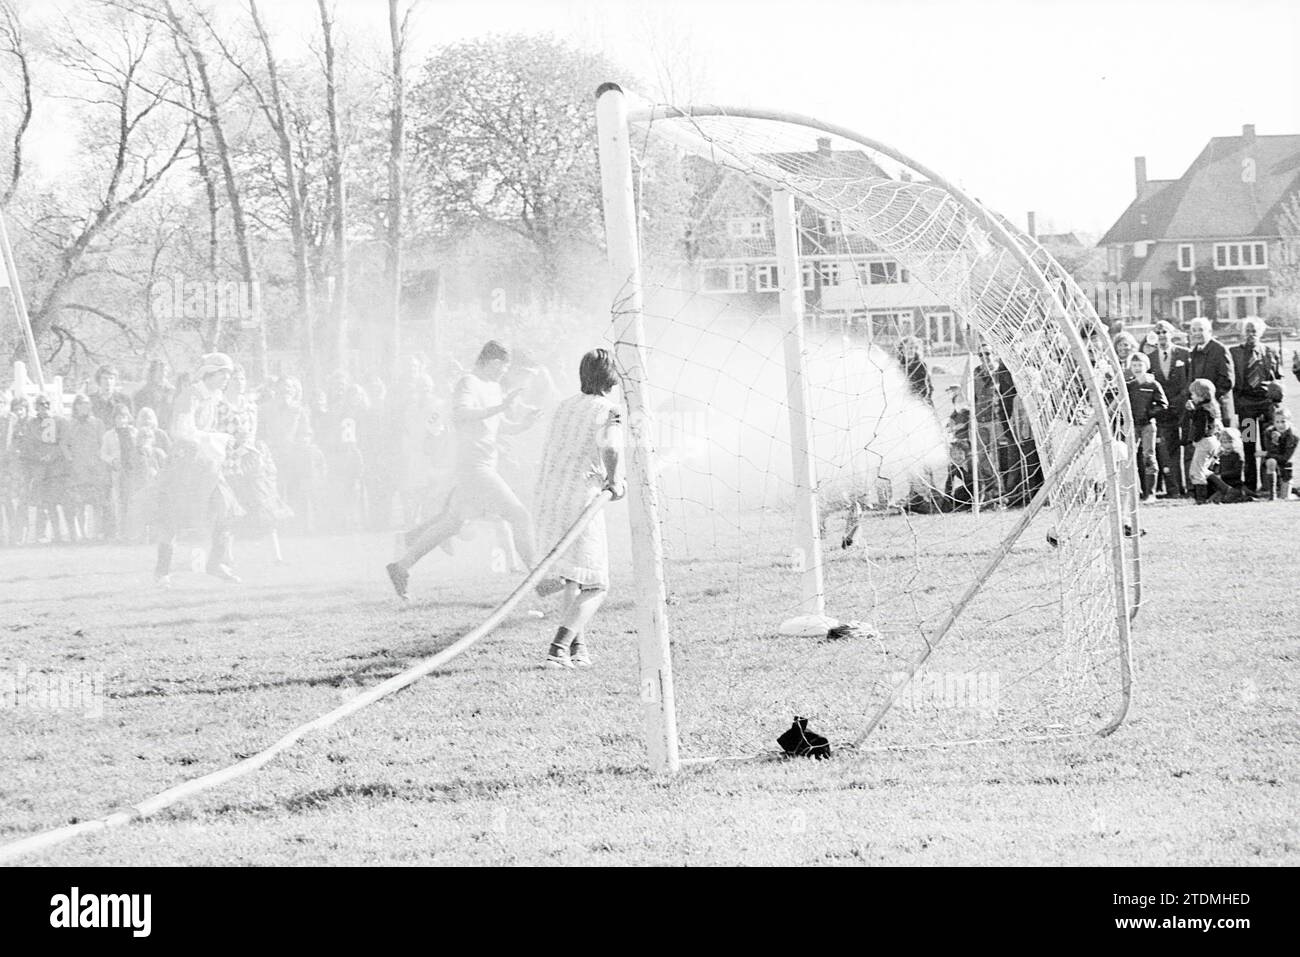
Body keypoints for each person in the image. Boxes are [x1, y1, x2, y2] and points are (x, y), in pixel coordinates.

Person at [385, 340, 541, 599]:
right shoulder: (468, 382)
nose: (506, 372)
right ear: (493, 363)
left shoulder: (492, 387)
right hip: (474, 467)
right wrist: (501, 407)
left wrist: (523, 424)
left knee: (452, 523)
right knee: (519, 515)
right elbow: (461, 415)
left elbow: (499, 425)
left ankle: (401, 566)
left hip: (484, 464)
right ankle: (540, 578)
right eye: (504, 367)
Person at [531, 349, 626, 668]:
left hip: (547, 497)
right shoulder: (609, 409)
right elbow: (611, 445)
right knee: (597, 584)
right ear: (611, 379)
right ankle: (558, 650)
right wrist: (614, 480)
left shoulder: (563, 406)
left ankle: (577, 647)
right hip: (579, 500)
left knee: (573, 578)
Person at [151, 353, 242, 585]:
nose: (227, 378)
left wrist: (231, 440)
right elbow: (183, 432)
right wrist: (220, 439)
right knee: (173, 518)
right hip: (185, 465)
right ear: (209, 373)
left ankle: (216, 563)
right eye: (223, 373)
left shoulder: (213, 398)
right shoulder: (190, 396)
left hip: (207, 465)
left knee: (225, 508)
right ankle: (162, 572)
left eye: (229, 374)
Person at [218, 363, 292, 564]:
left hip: (250, 462)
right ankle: (227, 556)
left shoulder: (251, 405)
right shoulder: (220, 405)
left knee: (263, 505)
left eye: (242, 379)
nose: (239, 382)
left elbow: (254, 432)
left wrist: (250, 449)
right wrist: (232, 440)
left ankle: (276, 555)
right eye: (235, 379)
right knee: (232, 509)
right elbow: (216, 432)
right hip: (229, 463)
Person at [1228, 317, 1282, 493]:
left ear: (1260, 333)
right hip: (1246, 405)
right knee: (1249, 445)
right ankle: (1250, 485)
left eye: (1254, 331)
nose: (1251, 334)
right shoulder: (1234, 352)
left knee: (1269, 444)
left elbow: (1278, 378)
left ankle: (1268, 484)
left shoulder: (1270, 351)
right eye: (1248, 331)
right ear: (1243, 333)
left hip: (1266, 405)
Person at [1142, 321, 1191, 497]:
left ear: (1172, 333)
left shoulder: (1185, 354)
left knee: (1188, 448)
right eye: (1158, 332)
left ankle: (1192, 486)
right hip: (1163, 412)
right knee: (1168, 450)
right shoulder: (1150, 358)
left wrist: (1180, 399)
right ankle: (1175, 488)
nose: (1162, 335)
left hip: (1183, 407)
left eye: (1165, 331)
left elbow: (1190, 380)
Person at [21, 394, 70, 543]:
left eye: (48, 404)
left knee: (55, 500)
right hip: (39, 467)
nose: (45, 407)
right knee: (41, 501)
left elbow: (64, 442)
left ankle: (59, 533)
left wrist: (52, 455)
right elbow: (28, 444)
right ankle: (40, 534)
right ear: (36, 407)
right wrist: (39, 457)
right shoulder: (32, 424)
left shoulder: (60, 421)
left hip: (56, 467)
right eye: (41, 404)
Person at [62, 394, 107, 541]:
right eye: (80, 404)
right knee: (79, 502)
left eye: (87, 403)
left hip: (94, 468)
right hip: (78, 469)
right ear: (75, 406)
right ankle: (82, 533)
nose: (84, 406)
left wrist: (99, 460)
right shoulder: (70, 424)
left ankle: (96, 532)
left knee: (97, 502)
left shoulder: (97, 423)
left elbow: (103, 443)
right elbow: (63, 444)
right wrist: (70, 458)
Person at [1125, 352, 1168, 503]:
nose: (1137, 368)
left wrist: (1150, 414)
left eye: (1140, 365)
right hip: (1132, 425)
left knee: (1148, 456)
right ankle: (1133, 491)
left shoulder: (1153, 384)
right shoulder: (1129, 385)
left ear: (1146, 366)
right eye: (1134, 365)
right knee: (1128, 457)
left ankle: (1151, 493)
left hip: (1148, 425)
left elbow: (1163, 404)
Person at [971, 343, 1006, 507]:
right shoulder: (976, 372)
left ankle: (1003, 493)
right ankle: (991, 491)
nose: (985, 358)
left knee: (999, 457)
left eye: (987, 353)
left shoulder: (1001, 371)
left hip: (997, 420)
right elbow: (972, 396)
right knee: (983, 458)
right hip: (981, 420)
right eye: (981, 355)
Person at [1185, 318, 1234, 424]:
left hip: (1218, 407)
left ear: (1209, 332)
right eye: (1194, 330)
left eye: (1200, 329)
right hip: (1200, 408)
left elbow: (1227, 381)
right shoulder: (1194, 352)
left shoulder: (1219, 350)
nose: (1197, 333)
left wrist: (1207, 398)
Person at [1183, 378, 1222, 505]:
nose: (1192, 396)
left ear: (1201, 395)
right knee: (1205, 470)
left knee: (1196, 471)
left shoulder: (1202, 410)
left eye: (1193, 394)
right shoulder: (1211, 407)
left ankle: (1201, 498)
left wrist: (1194, 440)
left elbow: (1201, 427)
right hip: (1213, 441)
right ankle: (1220, 490)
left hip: (1204, 442)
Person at [1, 396, 30, 544]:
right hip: (9, 468)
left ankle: (21, 533)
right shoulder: (7, 423)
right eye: (16, 409)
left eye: (21, 409)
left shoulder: (30, 425)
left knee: (22, 501)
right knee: (7, 500)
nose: (18, 412)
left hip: (24, 468)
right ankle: (13, 531)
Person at [1261, 407, 1297, 501]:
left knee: (1285, 498)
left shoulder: (1294, 436)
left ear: (1289, 421)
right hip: (1274, 462)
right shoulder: (1268, 432)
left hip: (1287, 466)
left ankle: (1290, 490)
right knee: (1270, 461)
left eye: (1283, 421)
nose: (1280, 425)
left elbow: (1286, 458)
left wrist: (1265, 453)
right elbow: (1271, 451)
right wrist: (1275, 442)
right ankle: (1272, 495)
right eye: (1277, 422)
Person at [133, 359, 175, 430]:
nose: (164, 374)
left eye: (165, 371)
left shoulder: (171, 391)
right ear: (152, 373)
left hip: (167, 429)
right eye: (160, 371)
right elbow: (138, 416)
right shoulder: (141, 393)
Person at [89, 365, 130, 433]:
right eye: (105, 378)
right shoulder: (90, 400)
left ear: (115, 381)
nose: (108, 381)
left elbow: (130, 422)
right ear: (99, 380)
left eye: (111, 378)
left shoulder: (124, 400)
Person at [896, 336, 933, 404]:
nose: (911, 350)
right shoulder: (898, 367)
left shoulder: (921, 365)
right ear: (902, 350)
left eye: (914, 348)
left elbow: (928, 387)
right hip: (903, 402)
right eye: (909, 348)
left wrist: (920, 399)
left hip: (921, 402)